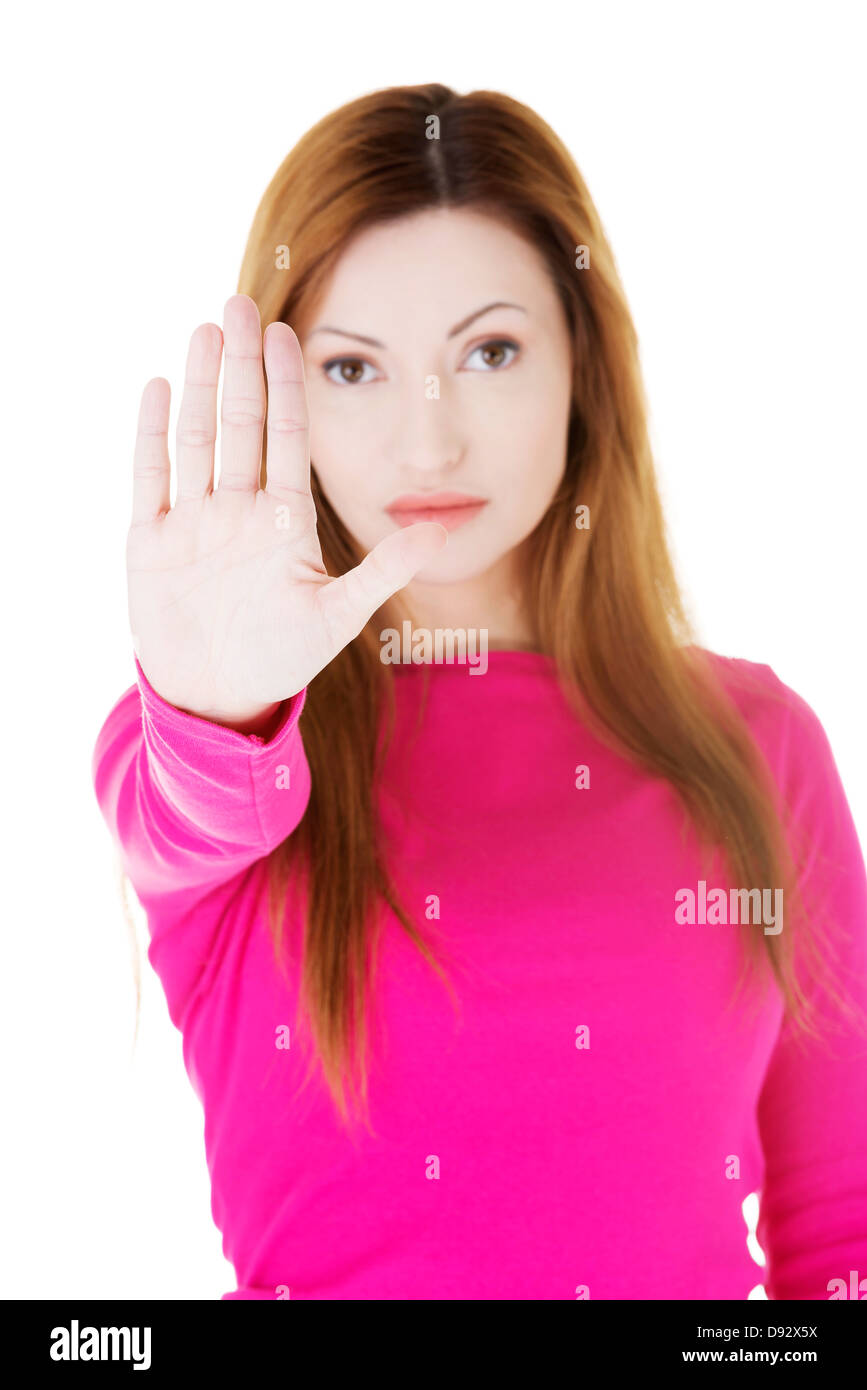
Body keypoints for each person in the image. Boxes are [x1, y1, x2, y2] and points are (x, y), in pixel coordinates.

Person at [92, 83, 867, 1300]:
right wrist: (205, 703)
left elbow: (845, 1244)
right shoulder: (219, 744)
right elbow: (180, 807)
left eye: (489, 351)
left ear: (582, 368)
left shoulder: (760, 744)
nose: (428, 443)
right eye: (353, 370)